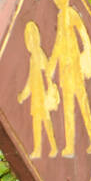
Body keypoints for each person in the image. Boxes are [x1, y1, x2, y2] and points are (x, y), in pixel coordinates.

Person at [47, 0, 91, 156]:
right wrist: (51, 66)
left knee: (83, 103)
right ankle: (70, 145)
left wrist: (87, 52)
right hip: (64, 69)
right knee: (67, 107)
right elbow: (57, 44)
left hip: (75, 66)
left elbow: (84, 34)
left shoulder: (70, 13)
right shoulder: (61, 16)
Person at [18, 20, 59, 158]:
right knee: (37, 121)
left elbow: (46, 73)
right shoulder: (33, 57)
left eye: (31, 38)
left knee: (46, 121)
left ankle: (53, 147)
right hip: (36, 94)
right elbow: (31, 79)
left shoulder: (39, 54)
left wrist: (49, 91)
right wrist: (24, 94)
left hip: (42, 94)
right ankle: (38, 148)